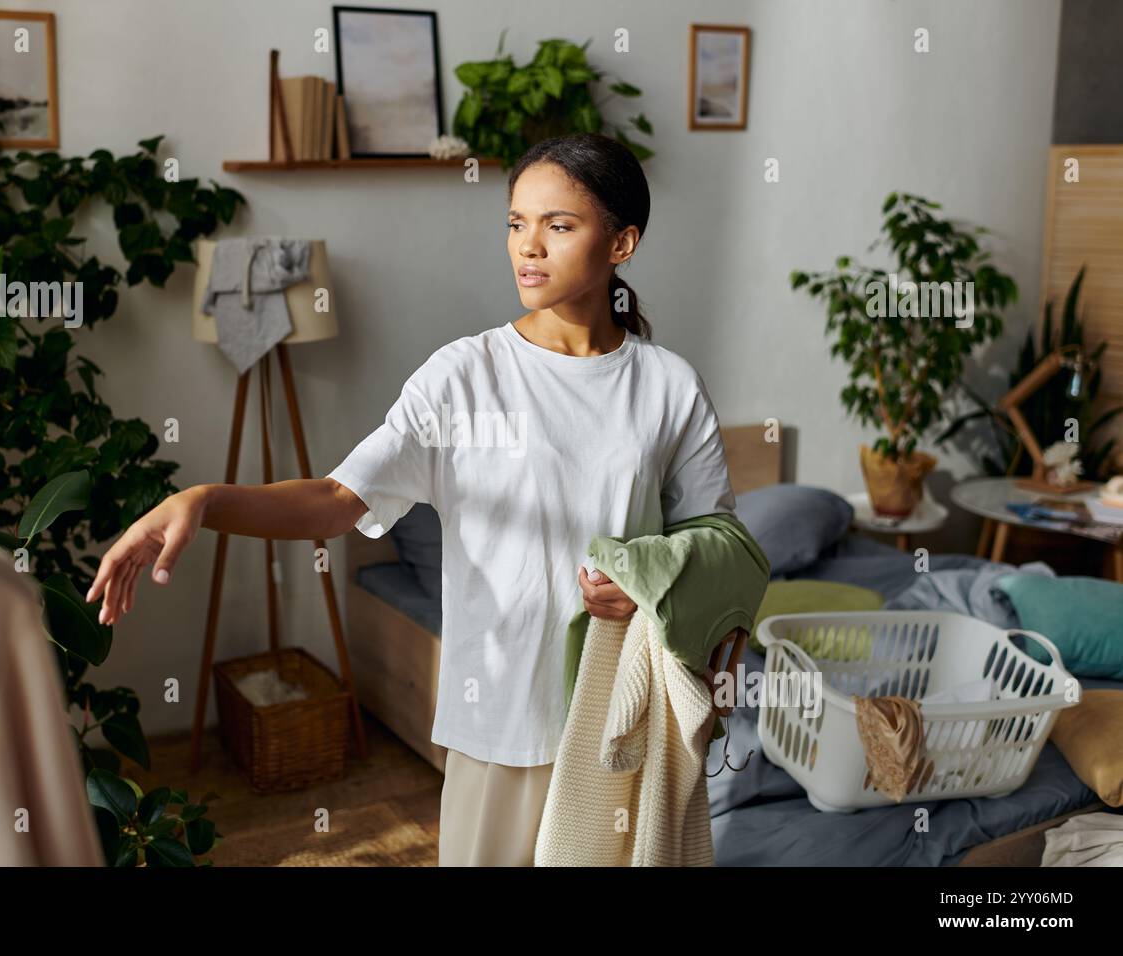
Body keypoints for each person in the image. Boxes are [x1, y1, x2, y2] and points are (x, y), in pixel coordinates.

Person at [85, 132, 737, 866]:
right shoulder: (464, 376)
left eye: (559, 225)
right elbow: (336, 499)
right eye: (516, 223)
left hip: (625, 723)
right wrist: (204, 501)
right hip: (502, 724)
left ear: (622, 242)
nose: (529, 246)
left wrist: (651, 588)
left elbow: (719, 545)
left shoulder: (668, 386)